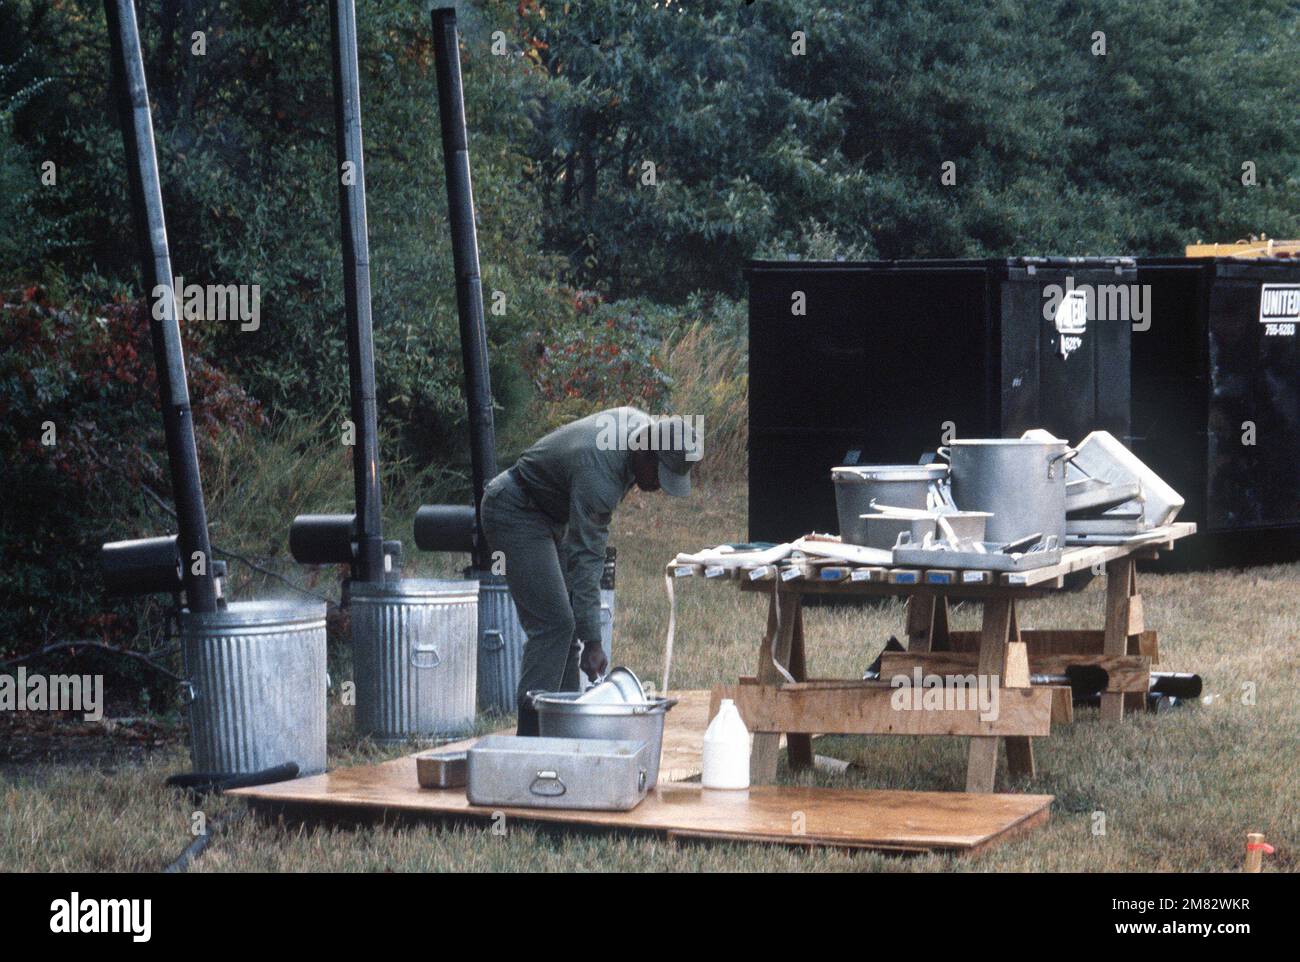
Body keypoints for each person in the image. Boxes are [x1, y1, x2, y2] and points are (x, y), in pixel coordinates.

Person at [480, 406, 700, 735]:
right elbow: (587, 558)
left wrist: (586, 634)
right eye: (658, 475)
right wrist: (594, 642)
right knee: (554, 624)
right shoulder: (600, 472)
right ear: (645, 451)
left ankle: (563, 734)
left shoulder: (641, 430)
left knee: (566, 628)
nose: (655, 486)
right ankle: (528, 739)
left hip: (548, 514)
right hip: (514, 510)